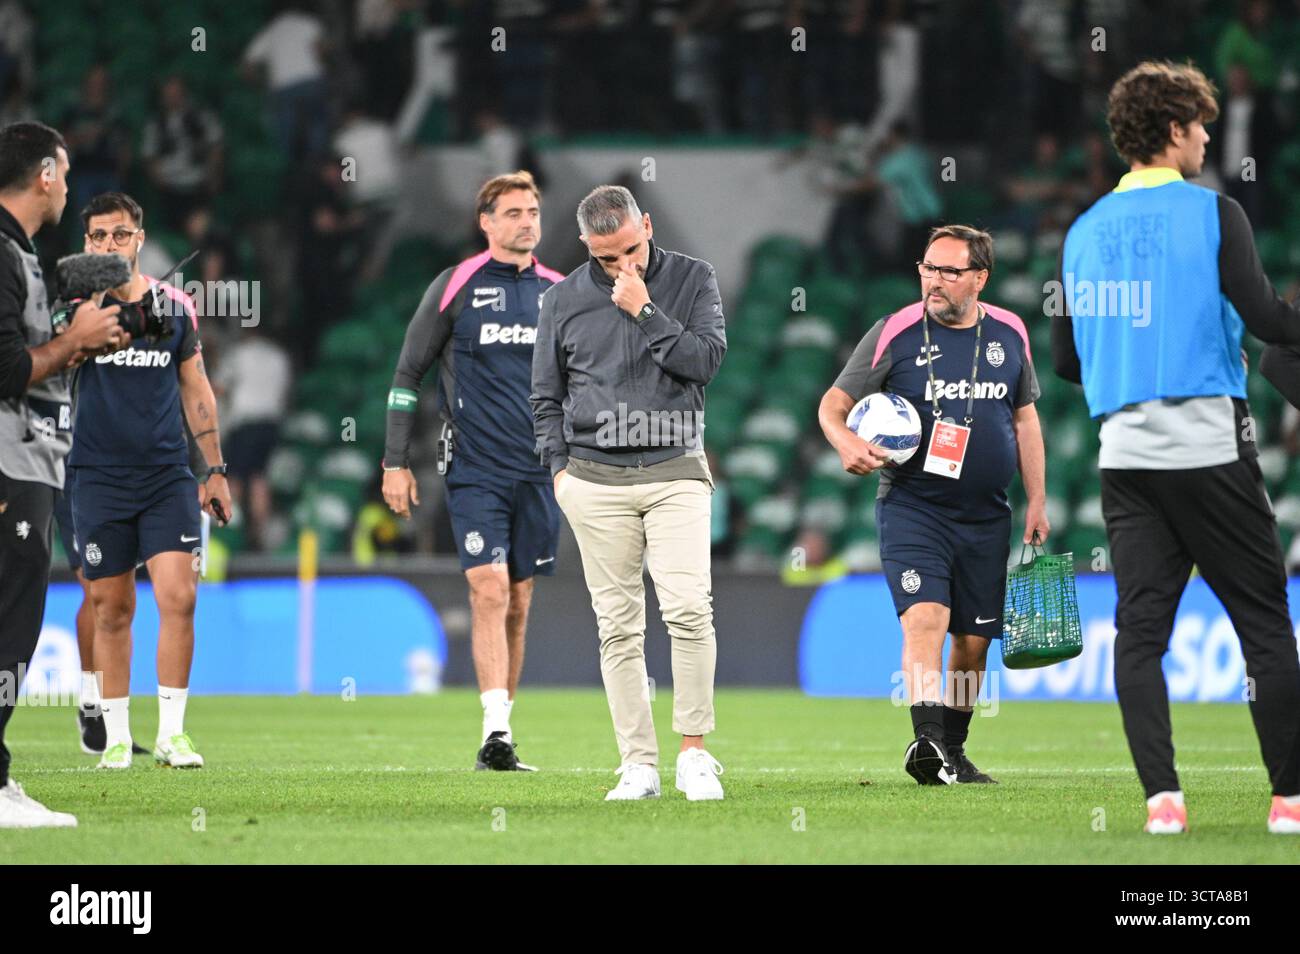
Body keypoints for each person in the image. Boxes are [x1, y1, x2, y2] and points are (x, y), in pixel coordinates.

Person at [1052, 61, 1300, 835]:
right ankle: (1290, 801)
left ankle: (1163, 801)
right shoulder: (1214, 213)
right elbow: (1265, 320)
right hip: (1208, 447)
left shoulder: (1083, 230)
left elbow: (1065, 361)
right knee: (1264, 625)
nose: (1206, 139)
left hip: (1125, 458)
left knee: (1140, 634)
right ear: (1173, 131)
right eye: (1200, 127)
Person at [818, 224, 1047, 786]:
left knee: (972, 647)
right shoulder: (894, 330)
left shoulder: (1011, 331)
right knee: (925, 620)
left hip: (989, 515)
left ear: (980, 278)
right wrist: (846, 441)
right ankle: (925, 742)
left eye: (949, 271)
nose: (934, 280)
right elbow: (832, 403)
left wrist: (1038, 499)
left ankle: (954, 750)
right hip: (914, 507)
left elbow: (1024, 419)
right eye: (927, 268)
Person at [531, 184, 727, 801]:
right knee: (617, 627)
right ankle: (638, 764)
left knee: (689, 609)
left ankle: (694, 754)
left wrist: (645, 309)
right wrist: (559, 474)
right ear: (586, 244)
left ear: (647, 224)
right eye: (607, 257)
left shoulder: (695, 279)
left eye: (631, 251)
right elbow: (544, 398)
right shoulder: (560, 300)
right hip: (592, 479)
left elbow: (705, 362)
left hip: (675, 469)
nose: (623, 267)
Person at [383, 171, 564, 771]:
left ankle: (503, 736)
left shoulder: (563, 292)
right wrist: (394, 462)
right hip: (474, 470)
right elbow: (409, 374)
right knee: (486, 589)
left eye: (532, 211)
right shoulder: (455, 284)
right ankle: (495, 731)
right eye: (512, 212)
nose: (526, 221)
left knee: (518, 599)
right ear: (485, 222)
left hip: (541, 472)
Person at [71, 191, 232, 770]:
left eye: (119, 235)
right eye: (97, 237)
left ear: (139, 239)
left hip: (167, 475)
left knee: (179, 597)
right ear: (85, 245)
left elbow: (197, 390)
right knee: (110, 606)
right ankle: (116, 737)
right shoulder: (76, 312)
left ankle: (172, 735)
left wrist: (213, 470)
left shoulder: (175, 308)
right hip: (96, 476)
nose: (109, 245)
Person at [0, 121, 125, 827]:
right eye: (66, 173)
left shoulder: (17, 250)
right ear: (45, 173)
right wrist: (71, 341)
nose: (70, 185)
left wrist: (66, 348)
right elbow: (6, 370)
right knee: (9, 627)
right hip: (8, 461)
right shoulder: (1, 251)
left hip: (25, 457)